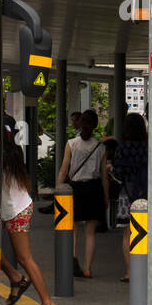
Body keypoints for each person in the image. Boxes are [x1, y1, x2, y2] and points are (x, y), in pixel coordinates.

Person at [0, 118, 59, 305]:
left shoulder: (1, 159)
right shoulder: (12, 154)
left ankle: (48, 303)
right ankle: (16, 278)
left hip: (17, 211)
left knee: (25, 259)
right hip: (16, 208)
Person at [57, 109, 106, 278]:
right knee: (90, 232)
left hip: (75, 189)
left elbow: (64, 170)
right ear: (95, 126)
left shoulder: (71, 144)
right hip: (94, 189)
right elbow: (104, 176)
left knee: (73, 229)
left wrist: (59, 192)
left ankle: (72, 260)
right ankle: (87, 268)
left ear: (80, 123)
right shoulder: (100, 147)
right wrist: (106, 197)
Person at [110, 112, 148, 282]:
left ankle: (129, 271)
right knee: (146, 231)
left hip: (127, 193)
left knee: (127, 234)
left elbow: (118, 174)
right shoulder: (148, 147)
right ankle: (145, 270)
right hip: (146, 193)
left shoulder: (122, 148)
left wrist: (110, 170)